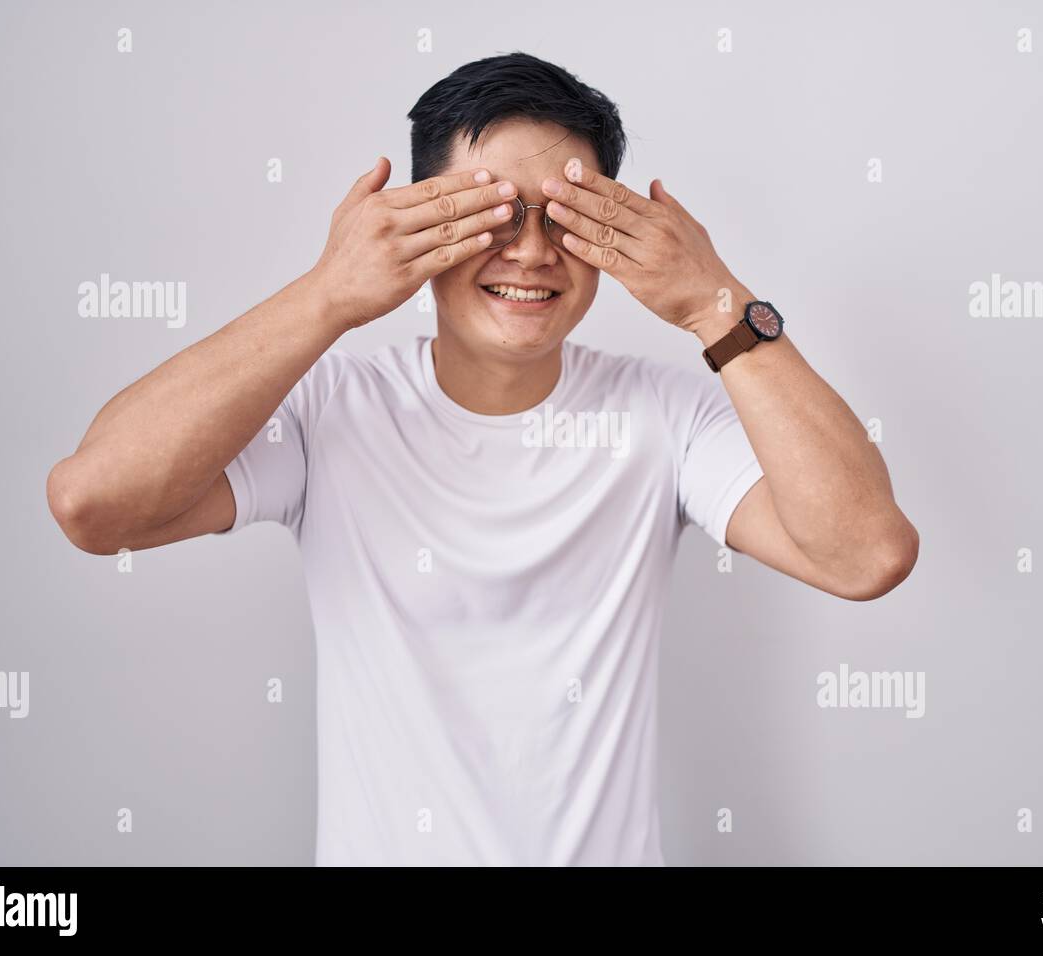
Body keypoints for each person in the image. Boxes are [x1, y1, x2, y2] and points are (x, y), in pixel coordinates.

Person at [46, 52, 919, 865]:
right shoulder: (330, 411)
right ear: (421, 222)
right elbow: (93, 504)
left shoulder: (667, 413)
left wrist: (715, 304)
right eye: (489, 214)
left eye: (564, 219)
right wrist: (326, 295)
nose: (531, 253)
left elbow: (867, 554)